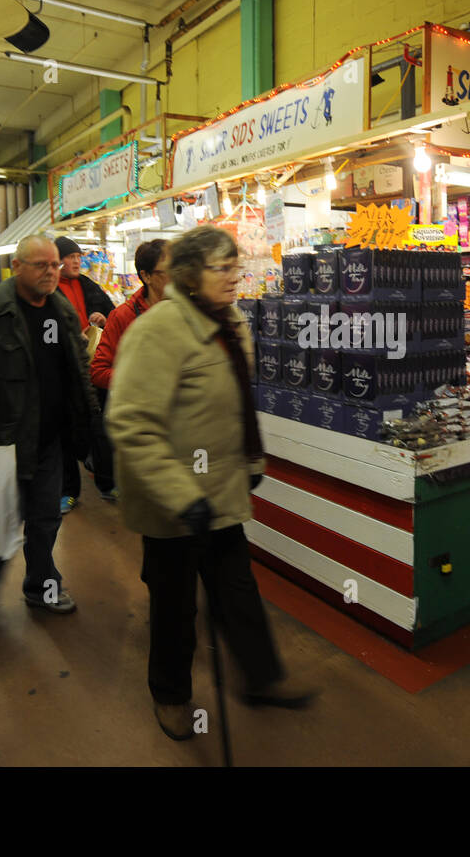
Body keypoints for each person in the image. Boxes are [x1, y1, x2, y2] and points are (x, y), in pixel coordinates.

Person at [107, 226, 317, 742]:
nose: (235, 277)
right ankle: (171, 695)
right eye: (222, 268)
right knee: (175, 605)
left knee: (237, 592)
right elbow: (130, 421)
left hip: (219, 491)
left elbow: (236, 399)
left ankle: (262, 679)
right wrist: (182, 495)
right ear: (189, 275)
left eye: (235, 266)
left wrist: (249, 456)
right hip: (172, 501)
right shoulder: (158, 331)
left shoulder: (230, 322)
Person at [0, 235, 99, 626]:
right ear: (16, 266)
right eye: (41, 265)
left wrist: (88, 424)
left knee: (46, 519)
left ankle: (42, 588)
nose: (51, 272)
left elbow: (77, 371)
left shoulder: (60, 309)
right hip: (2, 440)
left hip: (49, 439)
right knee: (3, 519)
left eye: (55, 265)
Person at [87, 240, 170, 501]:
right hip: (140, 422)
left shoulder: (188, 310)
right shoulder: (124, 316)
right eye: (168, 270)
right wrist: (137, 379)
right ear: (145, 276)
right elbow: (98, 371)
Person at [54, 235, 116, 514]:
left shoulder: (89, 286)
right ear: (56, 262)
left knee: (100, 428)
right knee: (65, 432)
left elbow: (112, 314)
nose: (76, 260)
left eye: (78, 256)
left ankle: (106, 482)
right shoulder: (49, 292)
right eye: (70, 256)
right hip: (64, 374)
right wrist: (69, 337)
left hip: (93, 370)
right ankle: (68, 491)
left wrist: (103, 318)